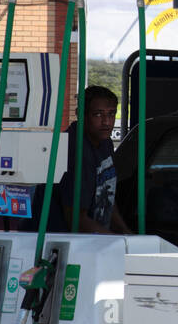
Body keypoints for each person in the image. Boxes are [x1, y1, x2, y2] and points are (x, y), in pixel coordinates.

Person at [53, 85, 132, 234]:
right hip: (62, 243)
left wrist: (126, 233)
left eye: (111, 114)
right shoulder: (74, 148)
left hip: (94, 240)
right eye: (98, 114)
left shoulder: (105, 142)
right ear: (81, 114)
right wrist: (118, 241)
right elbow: (76, 220)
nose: (106, 122)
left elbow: (107, 194)